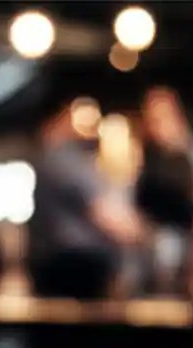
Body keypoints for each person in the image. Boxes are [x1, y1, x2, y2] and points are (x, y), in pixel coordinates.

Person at [28, 99, 144, 299]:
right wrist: (149, 237)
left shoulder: (55, 157)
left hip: (67, 265)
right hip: (75, 268)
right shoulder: (61, 157)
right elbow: (111, 219)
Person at [135, 87, 193, 299]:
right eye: (150, 119)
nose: (155, 125)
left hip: (188, 266)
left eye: (160, 117)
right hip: (155, 271)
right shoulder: (149, 158)